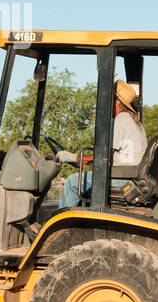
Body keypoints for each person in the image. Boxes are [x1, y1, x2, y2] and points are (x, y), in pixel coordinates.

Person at [58, 80, 148, 208]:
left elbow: (103, 156)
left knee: (72, 182)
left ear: (116, 101)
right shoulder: (135, 123)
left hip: (124, 178)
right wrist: (84, 160)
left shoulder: (121, 120)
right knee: (84, 186)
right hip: (131, 176)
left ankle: (63, 225)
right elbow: (109, 157)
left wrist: (74, 157)